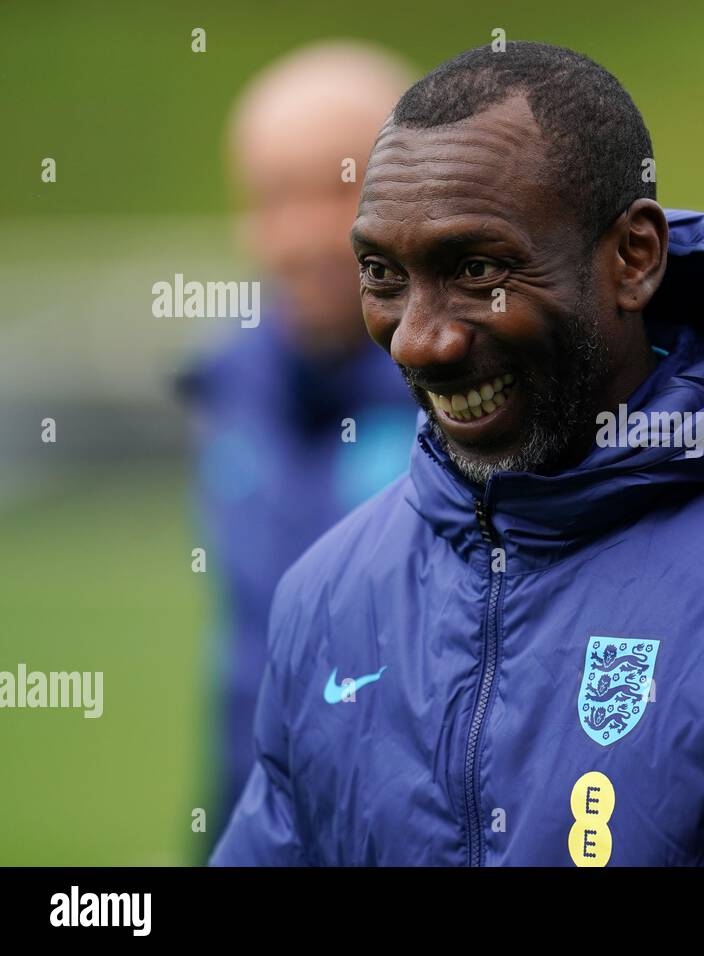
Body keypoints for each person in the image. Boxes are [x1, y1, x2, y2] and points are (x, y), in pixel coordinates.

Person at [212, 41, 704, 866]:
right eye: (383, 274)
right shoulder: (330, 597)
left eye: (476, 269)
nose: (420, 340)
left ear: (633, 258)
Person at [180, 42, 416, 833]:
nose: (306, 235)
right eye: (273, 195)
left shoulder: (489, 406)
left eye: (339, 188)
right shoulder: (229, 391)